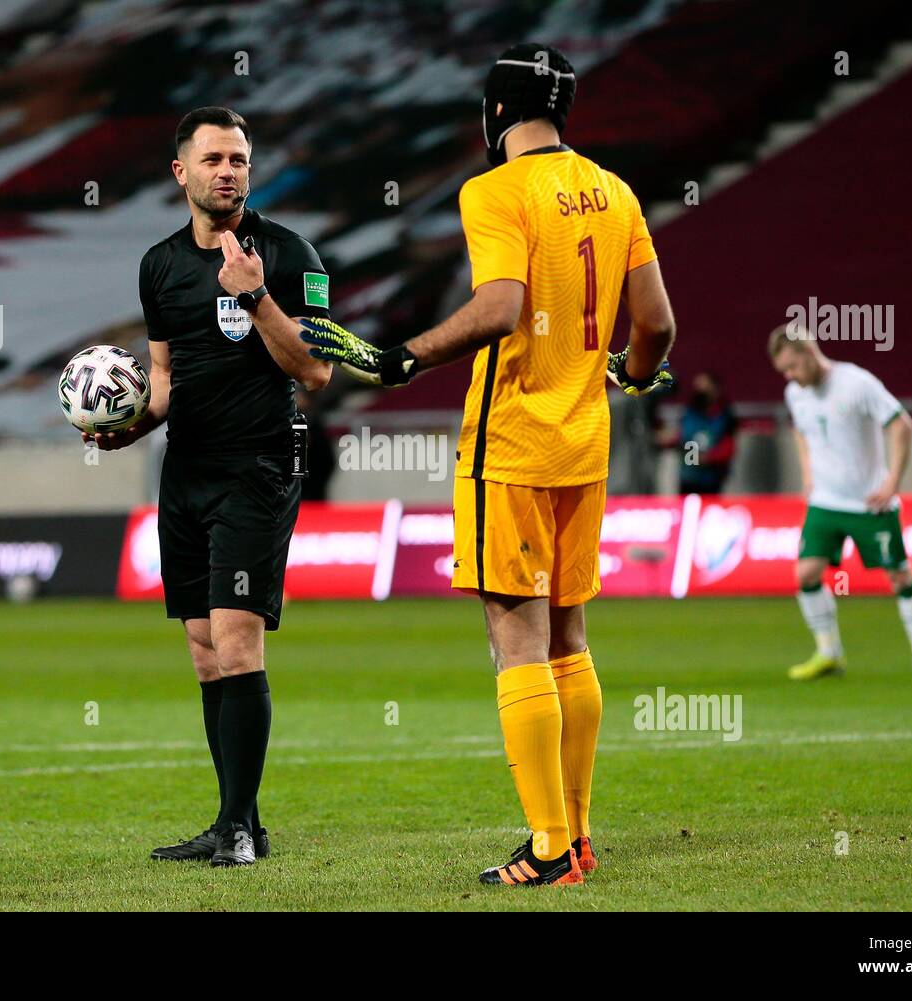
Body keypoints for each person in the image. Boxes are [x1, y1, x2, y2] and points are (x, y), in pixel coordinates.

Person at [299, 44, 675, 885]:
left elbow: (501, 306)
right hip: (584, 446)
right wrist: (632, 374)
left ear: (494, 114)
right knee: (570, 638)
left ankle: (547, 848)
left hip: (510, 446)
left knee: (517, 639)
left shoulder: (494, 190)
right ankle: (576, 835)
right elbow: (656, 325)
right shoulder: (614, 192)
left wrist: (402, 357)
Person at [92, 106, 332, 867]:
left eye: (239, 159)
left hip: (259, 464)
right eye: (214, 159)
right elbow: (161, 381)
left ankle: (235, 830)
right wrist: (126, 427)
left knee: (236, 639)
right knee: (202, 650)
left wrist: (257, 297)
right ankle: (240, 821)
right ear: (182, 173)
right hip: (187, 468)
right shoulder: (158, 265)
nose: (228, 170)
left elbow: (317, 372)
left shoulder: (293, 256)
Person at [769, 324, 912, 682]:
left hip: (869, 503)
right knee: (806, 573)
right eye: (784, 371)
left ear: (808, 353)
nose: (790, 377)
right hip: (825, 502)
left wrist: (892, 481)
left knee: (900, 575)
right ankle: (828, 653)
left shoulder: (856, 383)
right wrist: (807, 474)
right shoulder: (795, 394)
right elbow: (800, 430)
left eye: (792, 367)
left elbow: (901, 425)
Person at [677, 371, 737, 495]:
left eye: (705, 387)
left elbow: (729, 445)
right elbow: (683, 437)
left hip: (713, 478)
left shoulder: (725, 415)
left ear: (715, 388)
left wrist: (709, 458)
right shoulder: (690, 412)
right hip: (689, 477)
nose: (701, 391)